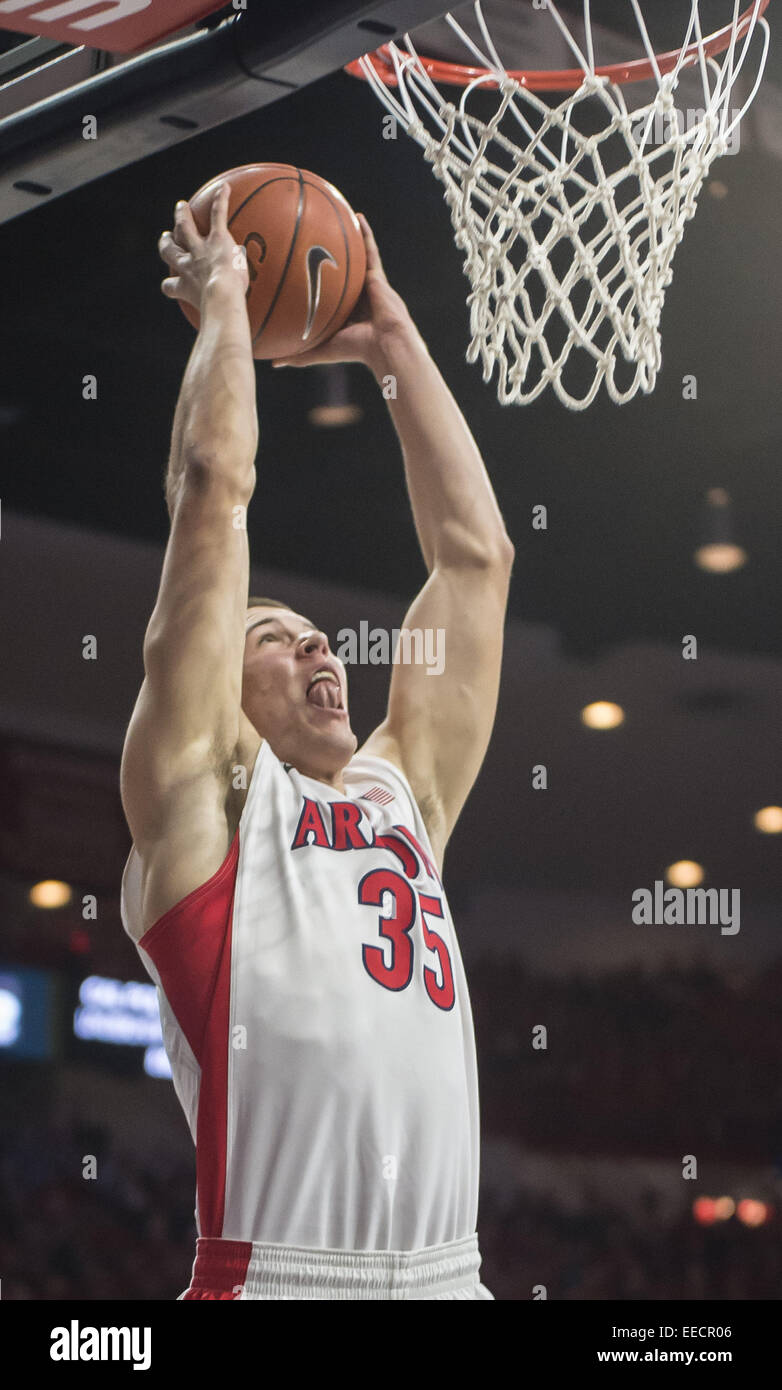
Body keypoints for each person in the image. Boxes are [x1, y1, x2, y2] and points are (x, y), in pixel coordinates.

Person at [119, 181, 514, 1300]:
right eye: (274, 640)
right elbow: (213, 490)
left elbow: (474, 562)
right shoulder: (201, 810)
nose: (316, 649)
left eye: (317, 636)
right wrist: (229, 309)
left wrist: (392, 344)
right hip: (283, 1278)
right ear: (216, 691)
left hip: (451, 1278)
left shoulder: (405, 798)